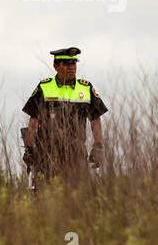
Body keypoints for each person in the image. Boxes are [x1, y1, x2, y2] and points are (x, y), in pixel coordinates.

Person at [21, 47, 107, 188]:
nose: (71, 68)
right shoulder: (44, 87)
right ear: (56, 66)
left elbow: (95, 119)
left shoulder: (86, 88)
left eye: (73, 63)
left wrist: (98, 147)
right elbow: (33, 121)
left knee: (79, 196)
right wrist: (29, 150)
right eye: (66, 64)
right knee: (46, 195)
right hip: (48, 154)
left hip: (77, 153)